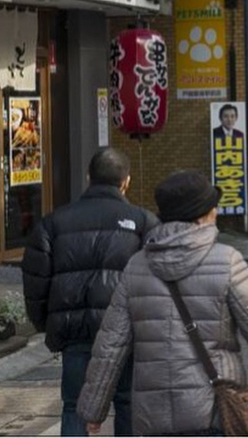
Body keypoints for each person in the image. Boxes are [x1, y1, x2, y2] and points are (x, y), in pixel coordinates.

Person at [76, 170, 248, 436]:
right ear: (202, 214)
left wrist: (94, 409)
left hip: (152, 417)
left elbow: (110, 345)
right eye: (213, 207)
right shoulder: (226, 260)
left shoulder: (137, 266)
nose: (216, 212)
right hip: (214, 410)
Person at [21, 148, 157, 437]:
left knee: (74, 406)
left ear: (88, 178)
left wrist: (46, 324)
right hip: (126, 333)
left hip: (76, 332)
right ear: (126, 182)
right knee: (128, 403)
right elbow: (156, 283)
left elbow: (35, 282)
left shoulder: (53, 223)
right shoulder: (143, 222)